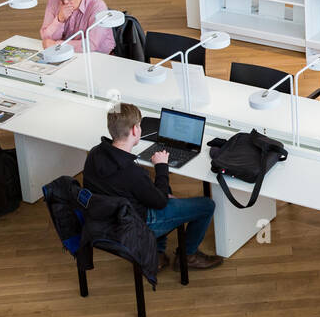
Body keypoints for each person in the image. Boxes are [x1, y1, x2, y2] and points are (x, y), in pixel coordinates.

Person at [83, 103, 222, 272]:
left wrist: (159, 192)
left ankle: (157, 254)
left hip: (107, 218)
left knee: (163, 189)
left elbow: (144, 190)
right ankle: (188, 256)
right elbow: (160, 202)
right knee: (207, 205)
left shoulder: (94, 153)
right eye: (140, 126)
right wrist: (161, 166)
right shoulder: (132, 172)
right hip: (136, 225)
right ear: (135, 130)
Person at [40, 0, 116, 54]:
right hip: (66, 53)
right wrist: (59, 19)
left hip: (98, 55)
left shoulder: (98, 6)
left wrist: (58, 45)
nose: (65, 1)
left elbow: (92, 44)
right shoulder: (53, 1)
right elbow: (46, 38)